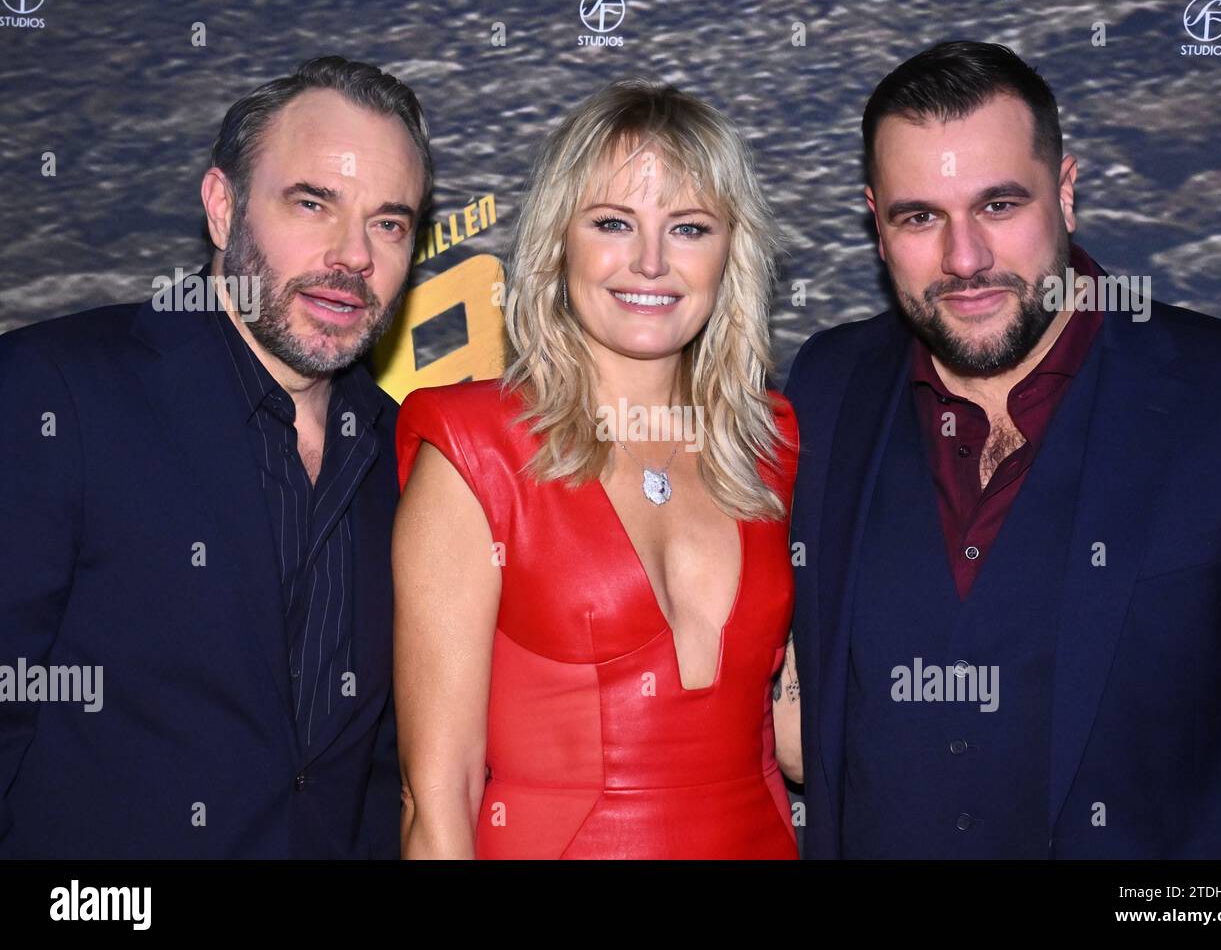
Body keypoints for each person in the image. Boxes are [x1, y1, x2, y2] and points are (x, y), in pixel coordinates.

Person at [786, 41, 1221, 859]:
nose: (965, 260)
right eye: (920, 216)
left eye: (998, 205)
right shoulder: (825, 385)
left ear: (1065, 193)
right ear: (876, 223)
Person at [0, 56, 432, 857]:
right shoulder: (56, 394)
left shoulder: (406, 457)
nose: (353, 255)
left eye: (389, 222)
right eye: (314, 203)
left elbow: (376, 769)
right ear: (223, 207)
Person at [393, 79, 801, 859]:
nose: (650, 262)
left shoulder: (771, 445)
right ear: (558, 242)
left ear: (730, 252)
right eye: (613, 223)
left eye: (688, 227)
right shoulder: (478, 449)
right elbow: (436, 798)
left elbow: (792, 728)